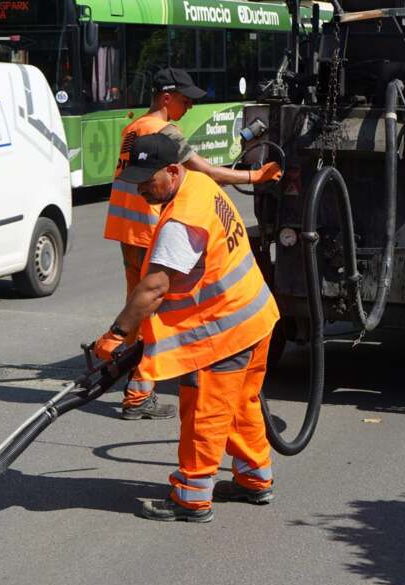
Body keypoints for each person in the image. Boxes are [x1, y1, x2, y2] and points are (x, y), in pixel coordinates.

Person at [95, 133, 279, 523]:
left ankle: (192, 496)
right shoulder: (199, 184)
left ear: (174, 171)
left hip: (224, 331)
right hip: (255, 316)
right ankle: (254, 477)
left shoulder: (182, 220)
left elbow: (156, 287)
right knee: (240, 404)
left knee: (203, 412)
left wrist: (116, 335)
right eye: (137, 181)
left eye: (149, 180)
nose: (142, 189)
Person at [104, 67, 281, 420]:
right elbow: (204, 172)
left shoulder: (134, 129)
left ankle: (135, 387)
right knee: (151, 306)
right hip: (151, 228)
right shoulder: (165, 132)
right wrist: (254, 176)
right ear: (166, 98)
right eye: (184, 101)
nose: (186, 108)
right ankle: (139, 393)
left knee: (138, 305)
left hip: (125, 228)